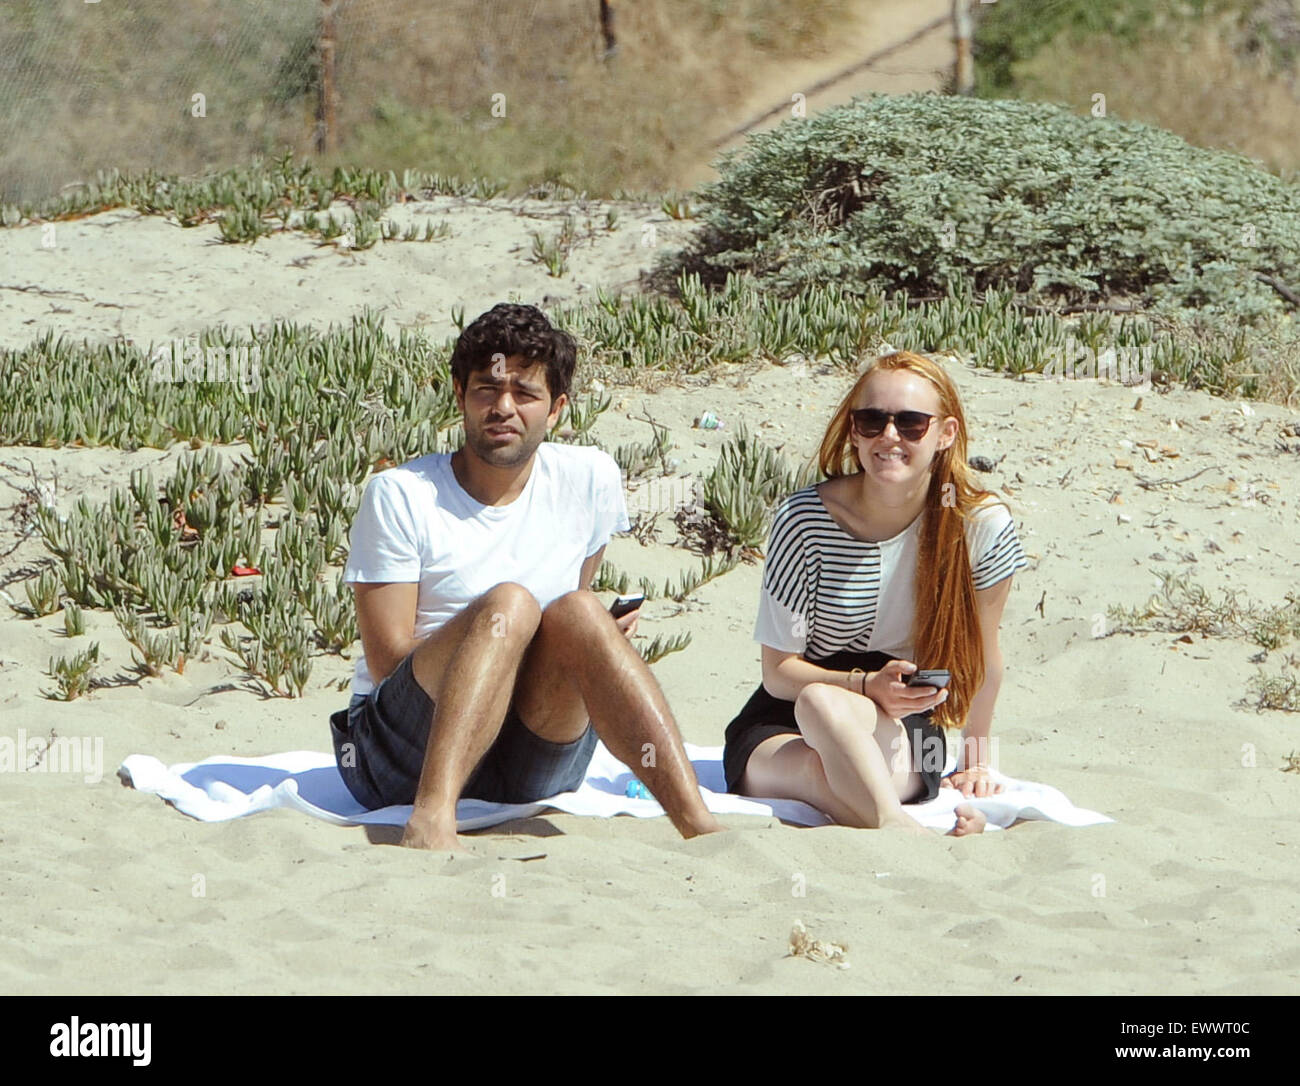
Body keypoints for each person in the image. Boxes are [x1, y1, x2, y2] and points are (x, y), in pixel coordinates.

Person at [329, 303, 724, 851]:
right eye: (487, 389)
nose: (503, 407)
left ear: (557, 408)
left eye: (525, 393)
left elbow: (575, 600)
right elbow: (388, 661)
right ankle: (433, 819)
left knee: (581, 612)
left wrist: (588, 638)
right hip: (399, 758)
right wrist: (498, 634)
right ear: (459, 394)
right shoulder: (401, 494)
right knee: (512, 605)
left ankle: (696, 821)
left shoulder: (589, 478)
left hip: (532, 764)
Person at [722, 349, 1030, 836]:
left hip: (904, 720)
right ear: (853, 430)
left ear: (945, 434)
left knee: (825, 717)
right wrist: (864, 684)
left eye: (911, 423)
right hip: (783, 717)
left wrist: (975, 759)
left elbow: (984, 658)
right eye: (872, 420)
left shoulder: (979, 526)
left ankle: (890, 822)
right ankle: (897, 825)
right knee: (817, 708)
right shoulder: (803, 521)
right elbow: (779, 674)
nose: (890, 437)